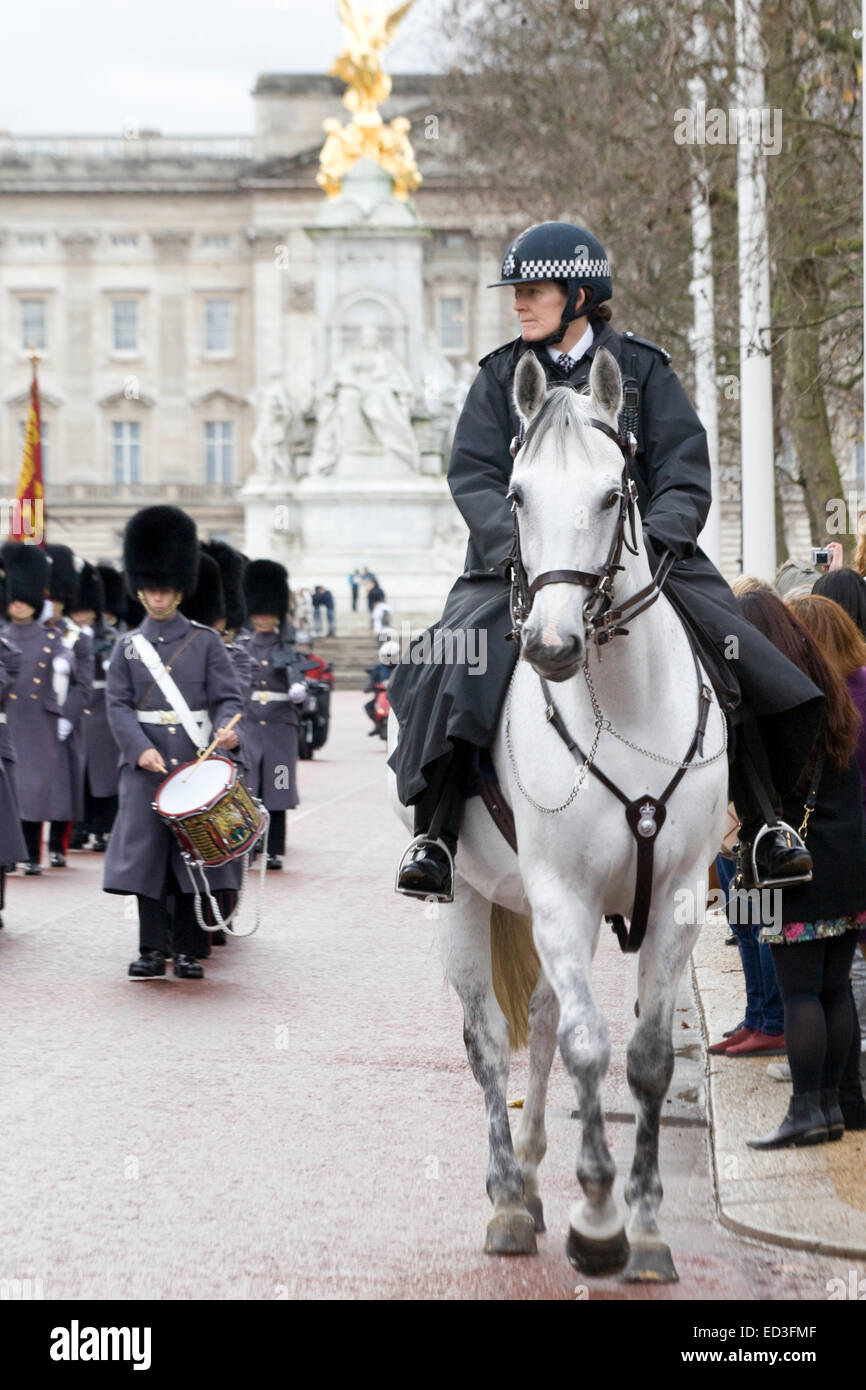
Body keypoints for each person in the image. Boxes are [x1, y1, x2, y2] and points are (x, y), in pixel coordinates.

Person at [388, 220, 824, 902]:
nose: (518, 304)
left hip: (644, 560)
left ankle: (768, 824)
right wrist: (523, 553)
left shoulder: (645, 370)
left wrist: (647, 544)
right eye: (517, 293)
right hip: (522, 563)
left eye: (533, 291)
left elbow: (684, 470)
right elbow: (472, 474)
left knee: (740, 649)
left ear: (580, 294)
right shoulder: (500, 375)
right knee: (453, 661)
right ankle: (437, 834)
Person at [733, 589, 866, 1148]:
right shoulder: (830, 689)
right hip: (848, 854)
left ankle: (806, 1109)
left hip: (796, 865)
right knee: (836, 988)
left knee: (800, 996)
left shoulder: (768, 700)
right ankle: (844, 1103)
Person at [102, 506, 244, 980]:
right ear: (140, 589)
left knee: (193, 858)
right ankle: (150, 949)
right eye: (151, 589)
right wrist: (137, 747)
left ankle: (187, 949)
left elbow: (227, 697)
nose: (158, 597)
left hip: (195, 762)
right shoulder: (125, 647)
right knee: (148, 860)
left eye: (165, 589)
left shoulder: (205, 642)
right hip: (147, 769)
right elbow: (117, 704)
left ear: (179, 590)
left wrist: (227, 730)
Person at [1, 543, 73, 874]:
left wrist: (63, 665)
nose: (18, 605)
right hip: (9, 720)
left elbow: (66, 656)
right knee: (12, 792)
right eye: (14, 599)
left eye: (23, 598)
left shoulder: (49, 638)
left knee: (35, 791)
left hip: (38, 723)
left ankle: (32, 853)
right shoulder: (4, 636)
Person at [236, 561, 307, 870]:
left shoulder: (288, 646)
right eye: (258, 614)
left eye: (267, 614)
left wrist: (300, 689)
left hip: (279, 726)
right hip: (250, 723)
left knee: (277, 788)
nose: (263, 619)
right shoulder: (241, 646)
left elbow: (301, 678)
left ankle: (273, 848)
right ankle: (248, 847)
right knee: (249, 788)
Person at [42, 545, 94, 867]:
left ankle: (58, 845)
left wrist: (67, 719)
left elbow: (84, 685)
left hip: (63, 719)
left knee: (63, 788)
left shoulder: (76, 637)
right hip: (31, 720)